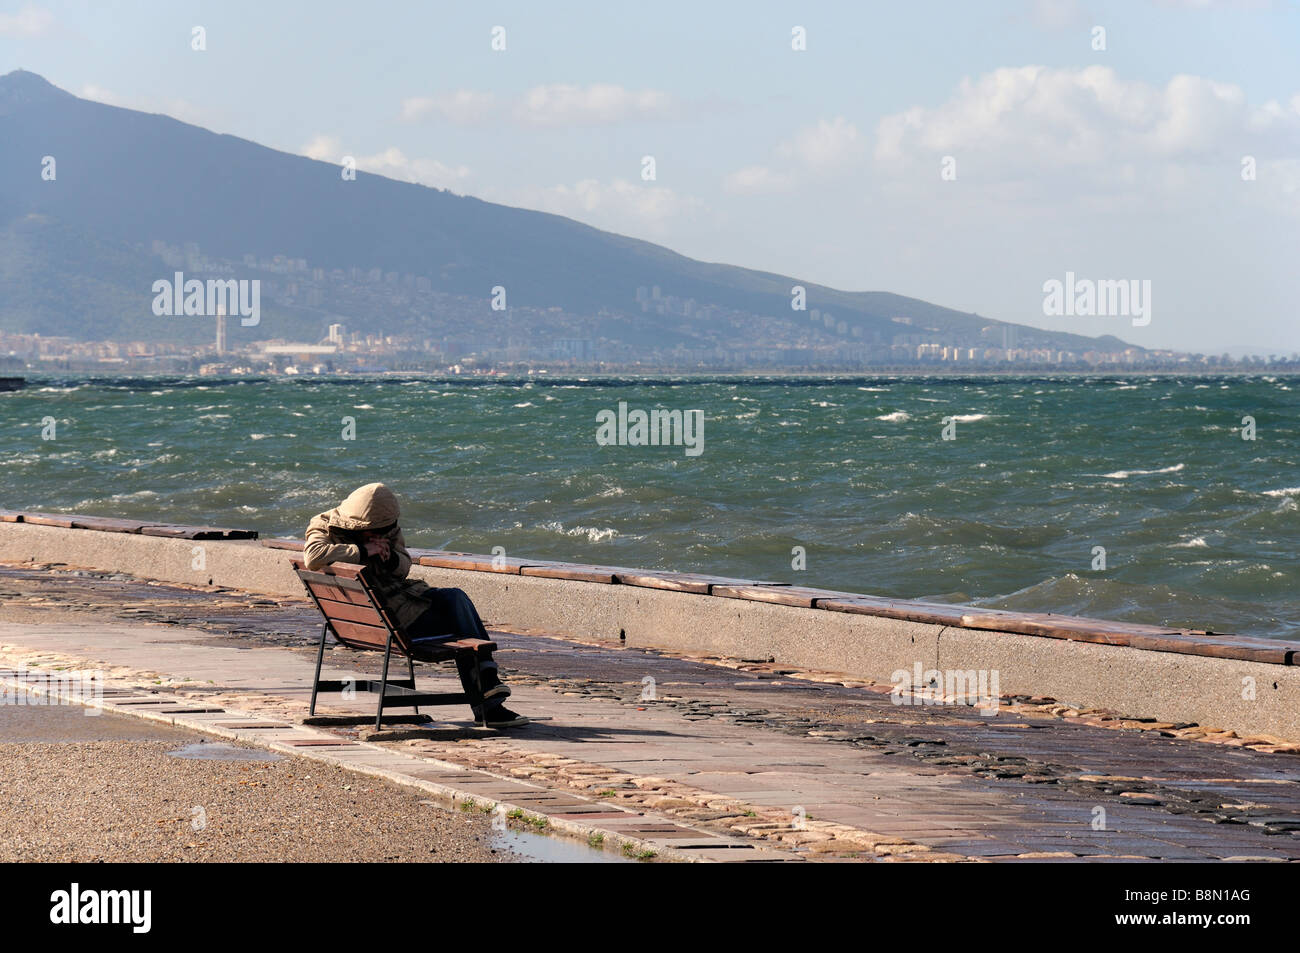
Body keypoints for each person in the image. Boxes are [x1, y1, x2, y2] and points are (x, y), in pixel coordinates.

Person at [303, 482, 528, 728]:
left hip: (374, 620)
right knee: (457, 608)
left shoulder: (387, 529)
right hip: (394, 624)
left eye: (385, 530)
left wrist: (390, 560)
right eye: (374, 532)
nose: (381, 535)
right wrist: (363, 550)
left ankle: (487, 682)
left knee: (455, 598)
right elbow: (313, 556)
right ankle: (487, 695)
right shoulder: (325, 526)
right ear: (358, 525)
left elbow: (405, 566)